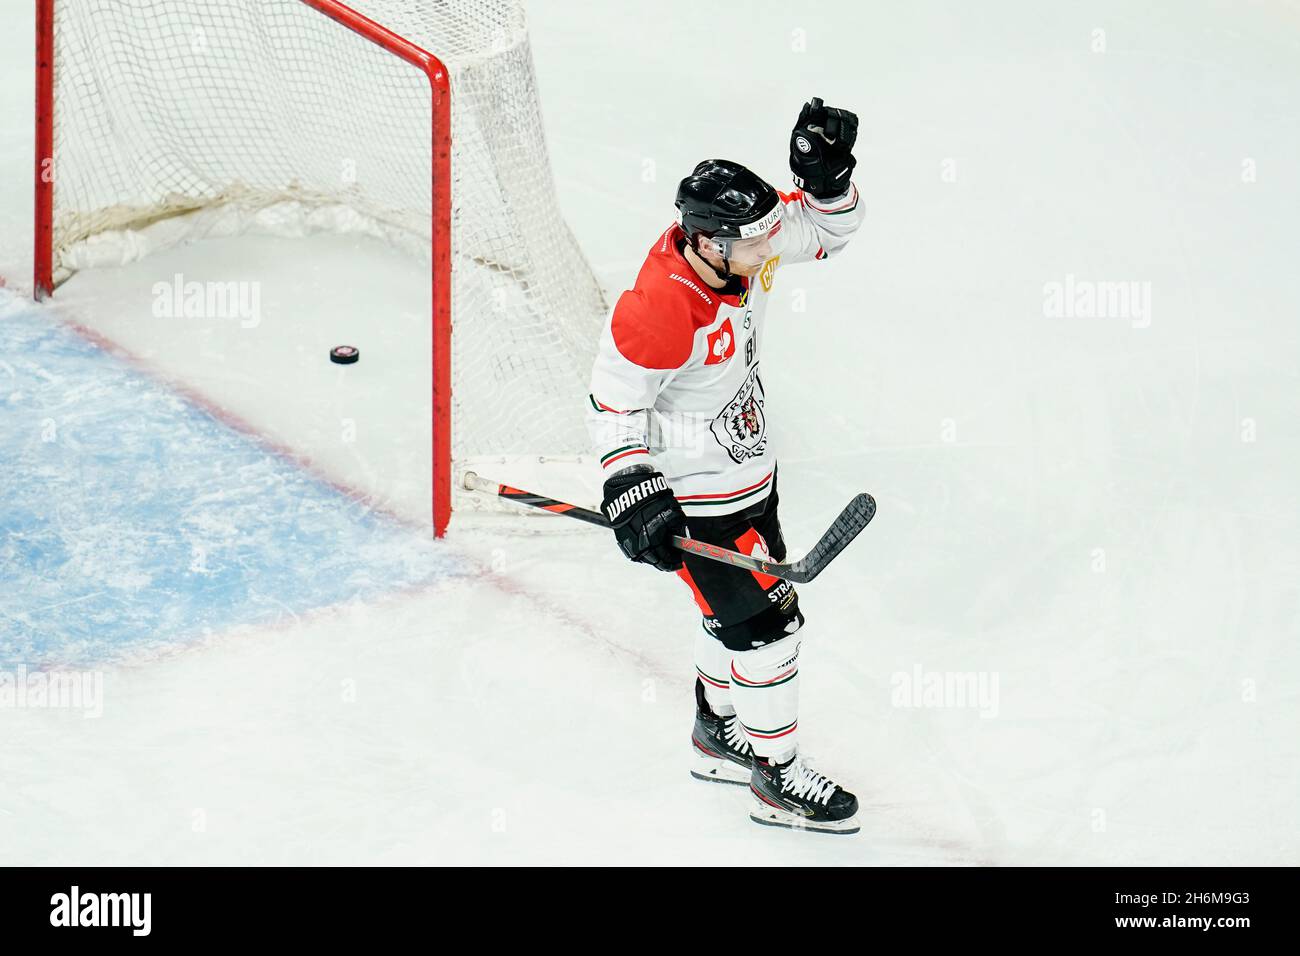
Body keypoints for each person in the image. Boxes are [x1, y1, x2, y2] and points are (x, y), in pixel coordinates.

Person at [586, 98, 866, 834]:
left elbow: (829, 232)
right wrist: (630, 483)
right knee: (772, 630)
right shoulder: (660, 306)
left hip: (751, 478)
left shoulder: (747, 244)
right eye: (755, 244)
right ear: (709, 244)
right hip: (698, 503)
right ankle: (776, 776)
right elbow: (613, 401)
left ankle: (717, 732)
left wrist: (828, 181)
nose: (770, 251)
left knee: (729, 620)